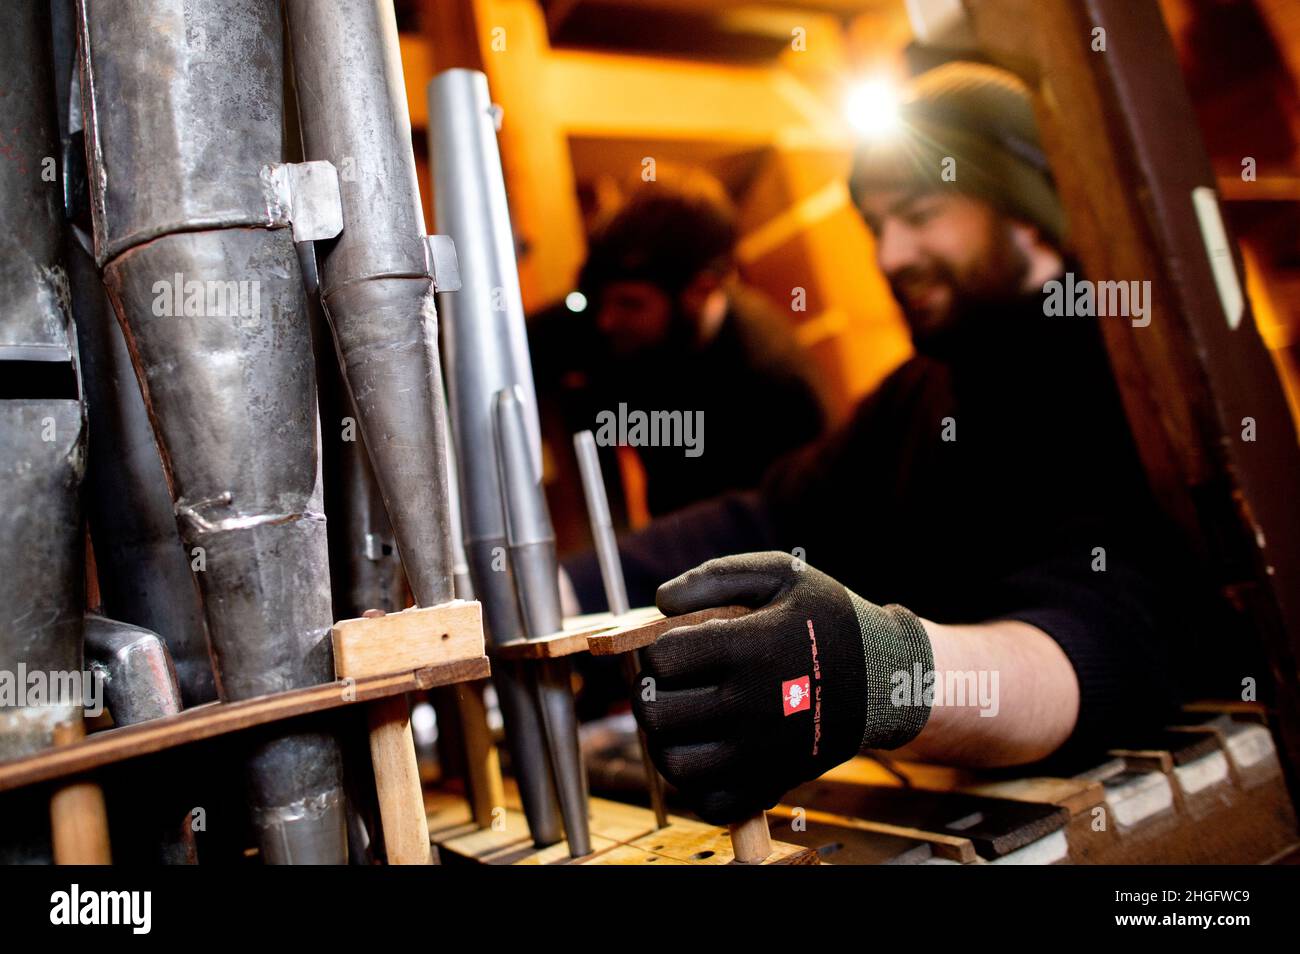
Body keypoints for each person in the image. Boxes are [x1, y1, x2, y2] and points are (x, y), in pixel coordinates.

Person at [561, 61, 1189, 825]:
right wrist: (566, 591)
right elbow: (773, 515)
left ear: (1024, 209)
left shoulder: (1119, 366)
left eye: (921, 213)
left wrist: (871, 668)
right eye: (878, 226)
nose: (890, 256)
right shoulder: (922, 387)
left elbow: (1099, 642)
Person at [530, 167, 826, 520]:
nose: (606, 321)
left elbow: (781, 531)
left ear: (700, 290)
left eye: (629, 303)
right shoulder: (610, 318)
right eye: (599, 301)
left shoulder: (775, 386)